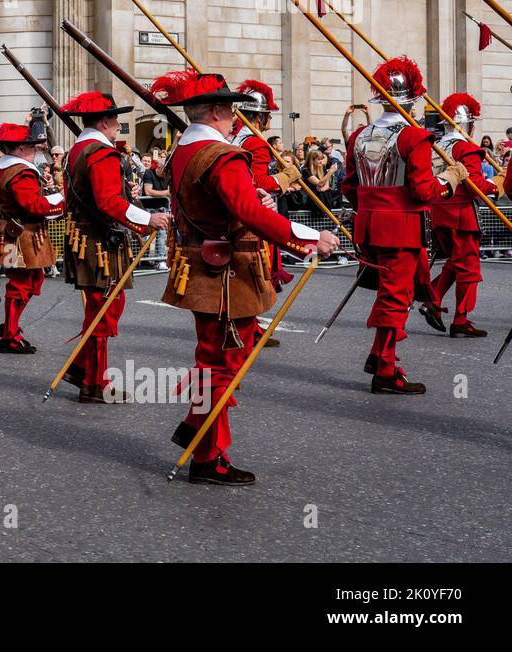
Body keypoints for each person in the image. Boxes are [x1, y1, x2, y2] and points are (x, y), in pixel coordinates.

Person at [151, 70, 337, 485]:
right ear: (216, 111)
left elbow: (233, 202)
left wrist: (255, 197)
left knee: (210, 358)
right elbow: (248, 213)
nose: (236, 118)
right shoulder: (222, 154)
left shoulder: (183, 150)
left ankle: (197, 431)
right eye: (231, 110)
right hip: (228, 272)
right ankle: (207, 453)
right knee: (226, 362)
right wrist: (307, 237)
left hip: (199, 263)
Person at [340, 57, 466, 395]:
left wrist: (370, 210)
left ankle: (380, 354)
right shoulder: (414, 137)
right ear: (413, 97)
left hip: (368, 227)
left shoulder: (359, 135)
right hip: (402, 229)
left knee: (394, 293)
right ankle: (384, 368)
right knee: (396, 298)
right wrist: (450, 178)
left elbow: (350, 187)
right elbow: (423, 191)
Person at [58, 92, 174, 399]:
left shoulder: (79, 149)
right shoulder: (101, 152)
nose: (118, 124)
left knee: (103, 307)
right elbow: (108, 201)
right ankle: (95, 383)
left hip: (87, 237)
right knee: (104, 310)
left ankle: (84, 370)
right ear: (105, 121)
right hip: (99, 241)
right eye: (115, 119)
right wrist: (147, 219)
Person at [0, 121, 64, 355]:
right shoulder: (21, 171)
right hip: (21, 236)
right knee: (21, 284)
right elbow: (32, 205)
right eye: (31, 147)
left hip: (11, 234)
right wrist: (62, 200)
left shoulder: (4, 167)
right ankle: (10, 334)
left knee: (28, 281)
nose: (36, 150)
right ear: (20, 149)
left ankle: (11, 325)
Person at [426, 94, 496, 339]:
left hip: (438, 211)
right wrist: (495, 186)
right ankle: (461, 319)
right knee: (469, 268)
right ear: (468, 125)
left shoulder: (436, 146)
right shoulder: (466, 147)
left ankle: (433, 299)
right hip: (460, 214)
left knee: (456, 262)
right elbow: (473, 184)